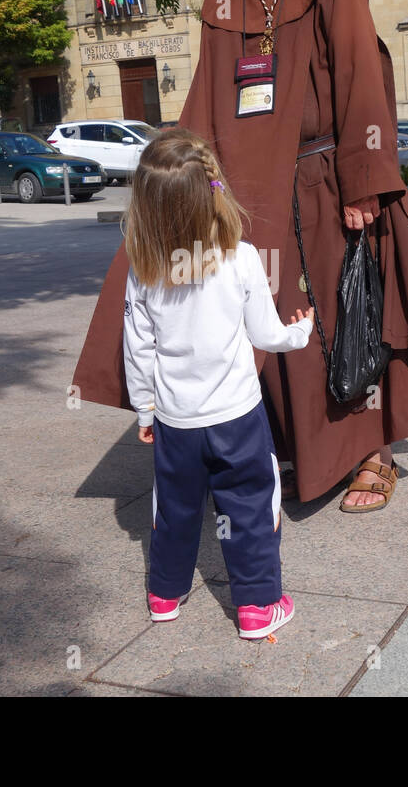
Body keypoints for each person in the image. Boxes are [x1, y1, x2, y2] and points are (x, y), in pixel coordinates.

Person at [75, 0, 408, 514]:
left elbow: (362, 85)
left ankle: (374, 454)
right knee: (278, 326)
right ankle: (311, 452)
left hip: (326, 183)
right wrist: (178, 193)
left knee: (349, 317)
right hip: (252, 194)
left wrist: (364, 186)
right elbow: (206, 106)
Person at [123, 129, 312, 639]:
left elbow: (138, 350)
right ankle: (257, 606)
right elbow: (267, 335)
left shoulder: (143, 269)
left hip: (175, 419)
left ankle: (164, 594)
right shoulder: (241, 257)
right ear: (214, 191)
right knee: (251, 504)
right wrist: (303, 328)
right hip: (237, 416)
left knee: (175, 507)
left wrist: (145, 411)